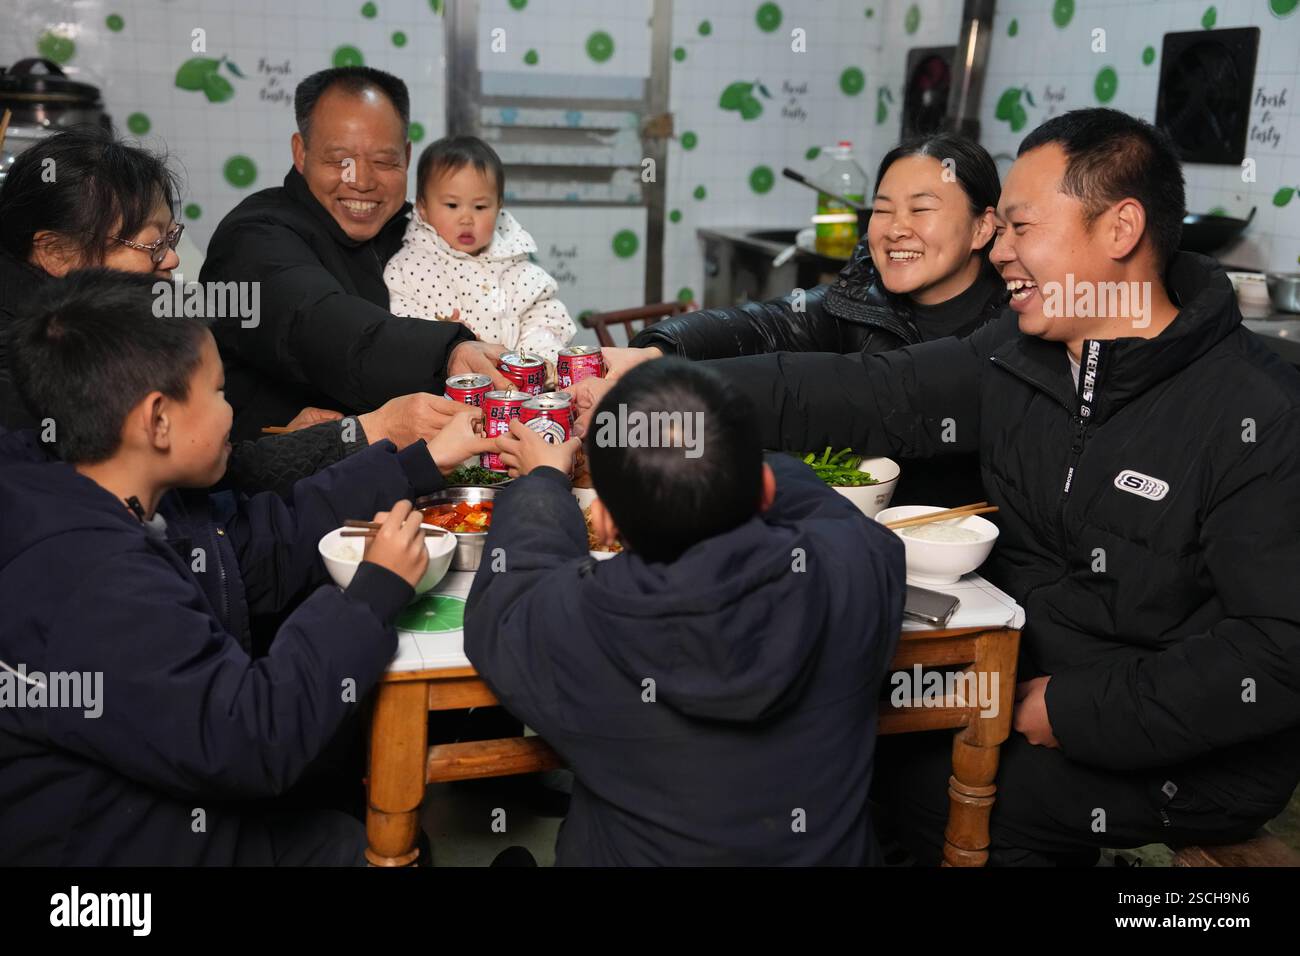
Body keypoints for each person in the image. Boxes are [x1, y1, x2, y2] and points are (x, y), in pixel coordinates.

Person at [576, 108, 1300, 865]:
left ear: (1120, 230)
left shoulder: (1255, 411)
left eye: (1022, 229)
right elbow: (866, 392)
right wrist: (672, 381)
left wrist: (1070, 708)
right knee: (828, 727)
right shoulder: (1027, 350)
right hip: (1016, 674)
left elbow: (1278, 651)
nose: (1004, 253)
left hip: (1188, 750)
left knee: (924, 790)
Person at [0, 269, 496, 865]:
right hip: (116, 853)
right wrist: (370, 596)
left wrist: (418, 463)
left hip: (156, 798)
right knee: (361, 845)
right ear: (157, 421)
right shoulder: (94, 583)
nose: (231, 410)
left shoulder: (98, 488)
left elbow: (262, 548)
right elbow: (253, 738)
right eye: (217, 392)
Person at [464, 359, 905, 865]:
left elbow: (509, 596)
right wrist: (710, 442)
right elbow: (824, 509)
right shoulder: (856, 566)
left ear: (604, 523)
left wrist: (543, 478)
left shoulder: (585, 621)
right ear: (762, 489)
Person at [0, 127, 457, 496]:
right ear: (55, 254)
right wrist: (365, 432)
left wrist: (291, 437)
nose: (172, 260)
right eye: (150, 244)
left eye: (170, 239)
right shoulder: (37, 376)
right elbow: (207, 497)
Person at [600, 133, 1007, 505]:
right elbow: (767, 324)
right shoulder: (864, 295)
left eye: (921, 209)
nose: (897, 228)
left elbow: (872, 391)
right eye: (883, 210)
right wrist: (660, 351)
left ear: (982, 227)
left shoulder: (1009, 327)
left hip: (966, 554)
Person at [201, 66, 510, 441]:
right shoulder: (254, 236)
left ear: (407, 157)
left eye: (384, 162)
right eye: (339, 160)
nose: (361, 181)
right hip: (284, 487)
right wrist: (445, 351)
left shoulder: (420, 230)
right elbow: (314, 322)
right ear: (301, 152)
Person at [385, 135, 576, 367]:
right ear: (422, 208)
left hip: (516, 391)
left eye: (480, 207)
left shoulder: (517, 268)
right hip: (445, 392)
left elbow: (545, 320)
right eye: (452, 205)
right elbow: (400, 329)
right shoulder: (408, 268)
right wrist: (443, 338)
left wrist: (533, 361)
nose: (467, 218)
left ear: (498, 207)